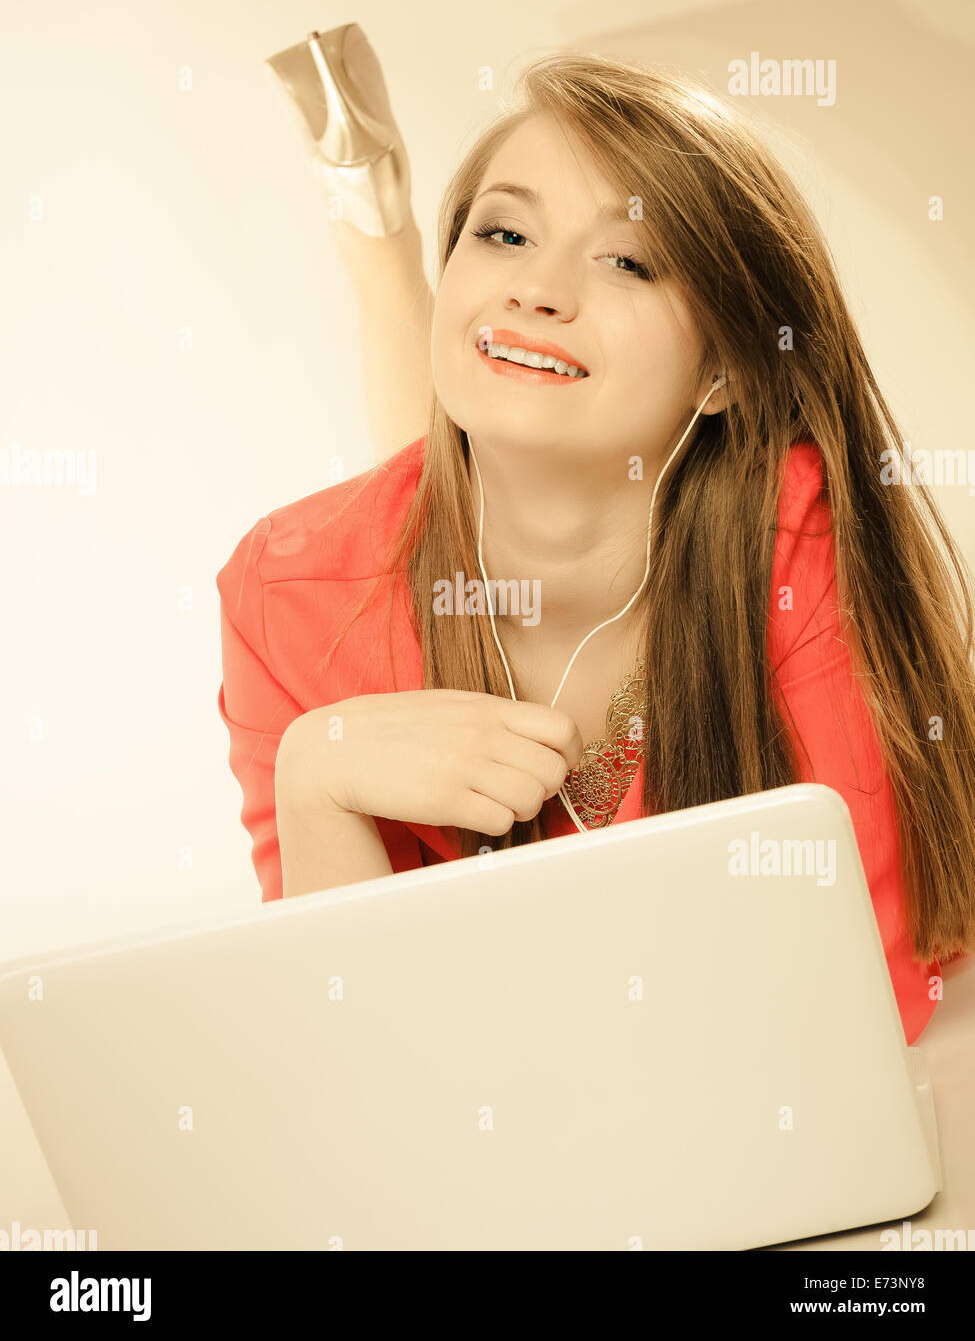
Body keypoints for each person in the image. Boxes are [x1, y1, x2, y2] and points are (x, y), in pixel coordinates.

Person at [217, 51, 975, 1046]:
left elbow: (849, 1015)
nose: (535, 288)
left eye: (627, 259)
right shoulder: (286, 591)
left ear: (726, 374)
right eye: (503, 232)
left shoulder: (798, 549)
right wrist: (318, 775)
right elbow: (349, 1065)